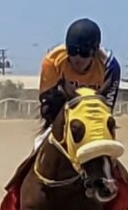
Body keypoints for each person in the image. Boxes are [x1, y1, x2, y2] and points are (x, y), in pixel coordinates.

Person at [35, 18, 122, 151]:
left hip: (94, 120)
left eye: (84, 53)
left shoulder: (110, 67)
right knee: (38, 147)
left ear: (95, 51)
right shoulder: (53, 62)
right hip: (62, 118)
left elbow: (106, 110)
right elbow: (47, 109)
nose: (77, 58)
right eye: (72, 51)